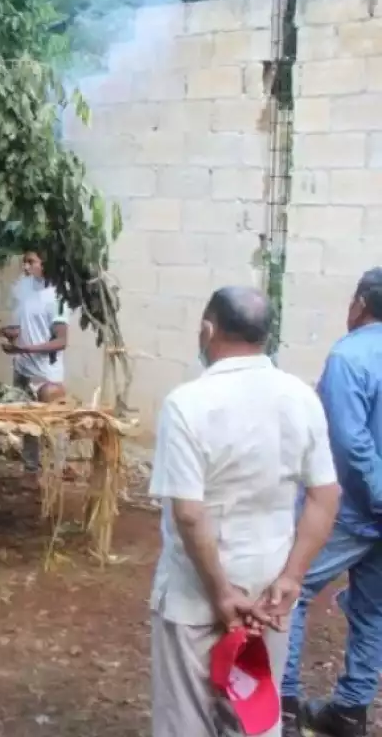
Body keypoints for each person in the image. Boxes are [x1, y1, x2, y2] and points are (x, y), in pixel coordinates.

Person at [148, 286, 340, 737]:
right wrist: (291, 577)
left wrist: (219, 591)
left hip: (195, 592)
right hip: (267, 594)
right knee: (251, 714)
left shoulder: (187, 403)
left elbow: (190, 514)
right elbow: (325, 496)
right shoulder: (300, 397)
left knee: (185, 719)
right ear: (264, 336)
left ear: (207, 329)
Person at [280, 268, 382, 737]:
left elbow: (350, 444)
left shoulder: (349, 356)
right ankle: (349, 712)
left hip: (353, 511)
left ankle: (281, 706)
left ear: (360, 303)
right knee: (373, 610)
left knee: (292, 590)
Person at [0, 249, 70, 471]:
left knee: (49, 426)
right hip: (23, 368)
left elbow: (61, 341)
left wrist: (26, 348)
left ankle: (55, 472)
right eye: (24, 261)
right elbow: (23, 328)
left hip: (45, 374)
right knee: (27, 425)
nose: (25, 267)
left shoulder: (57, 297)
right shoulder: (25, 289)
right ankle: (31, 469)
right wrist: (5, 332)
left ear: (45, 264)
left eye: (31, 262)